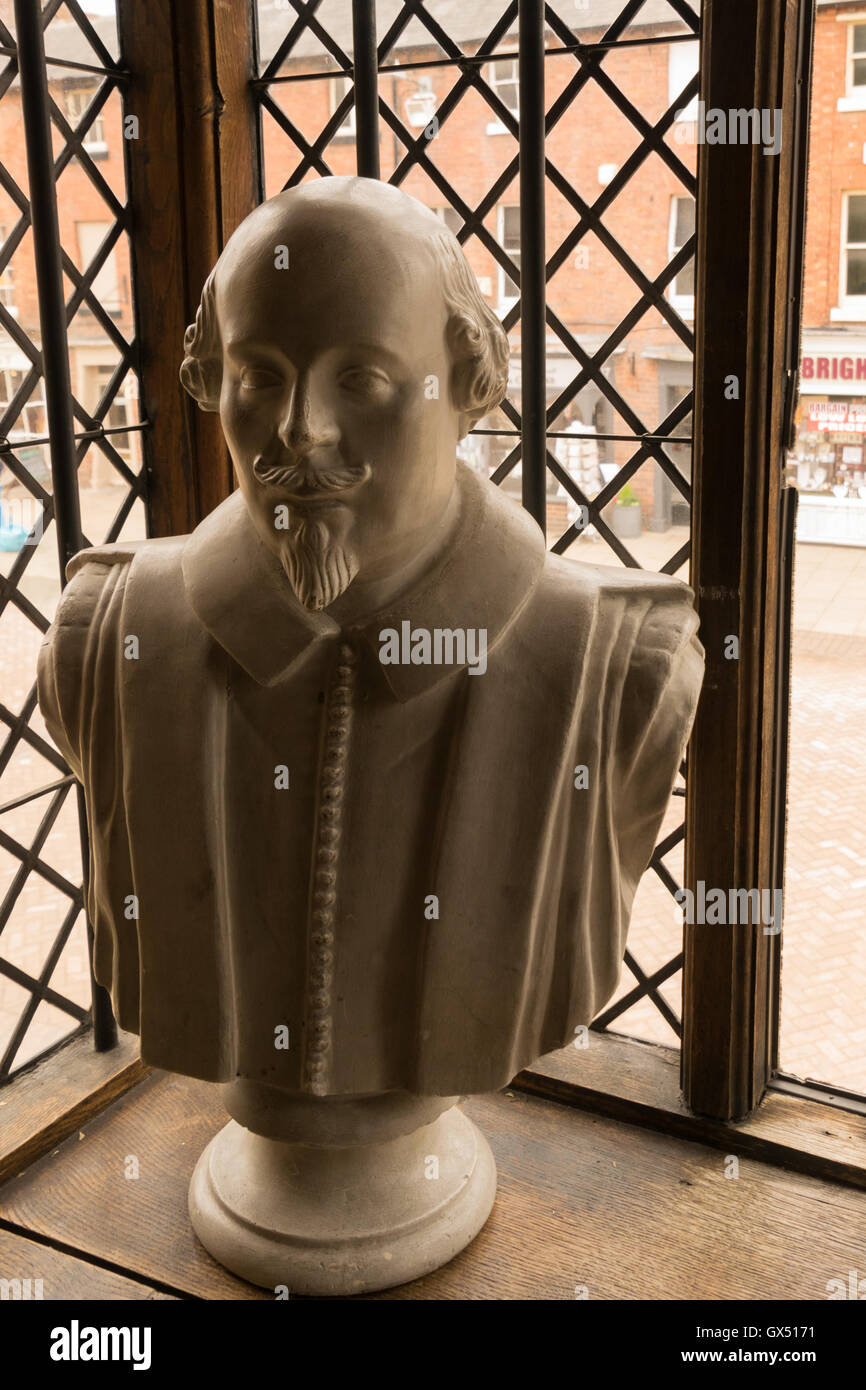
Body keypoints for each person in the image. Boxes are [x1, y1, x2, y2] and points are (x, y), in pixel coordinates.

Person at [38, 177, 704, 1098]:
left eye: (362, 378)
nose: (301, 432)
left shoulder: (622, 662)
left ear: (468, 385)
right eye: (259, 376)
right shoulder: (104, 637)